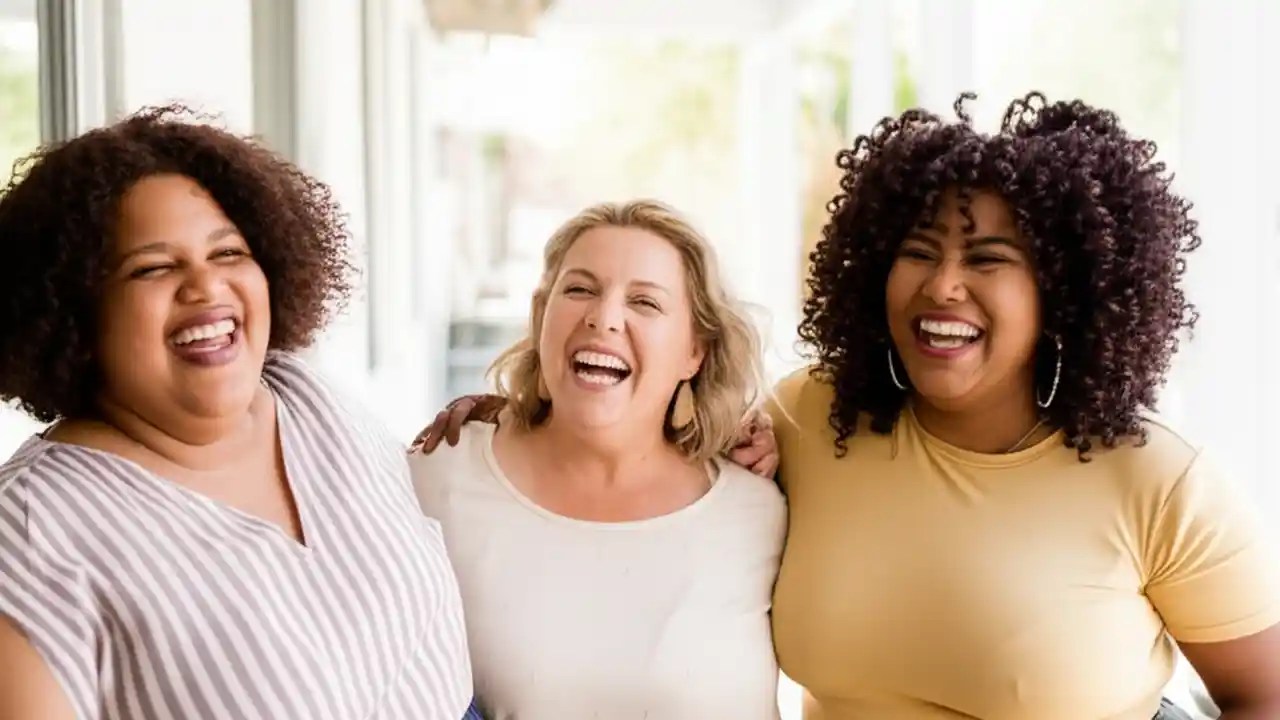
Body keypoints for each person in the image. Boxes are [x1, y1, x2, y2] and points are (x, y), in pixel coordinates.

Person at [418, 93, 1280, 719]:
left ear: (1065, 289)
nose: (944, 285)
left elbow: (1263, 694)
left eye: (987, 260)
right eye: (917, 250)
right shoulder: (814, 417)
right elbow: (648, 417)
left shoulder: (1157, 480)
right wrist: (514, 409)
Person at [0, 106, 477, 720]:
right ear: (74, 313)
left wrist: (510, 421)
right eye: (152, 267)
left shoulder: (309, 399)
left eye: (227, 253)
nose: (205, 286)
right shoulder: (32, 534)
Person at [410, 200, 786, 719]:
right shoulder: (436, 481)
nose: (603, 318)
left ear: (694, 351)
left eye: (645, 303)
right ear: (541, 316)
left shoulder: (764, 507)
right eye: (580, 289)